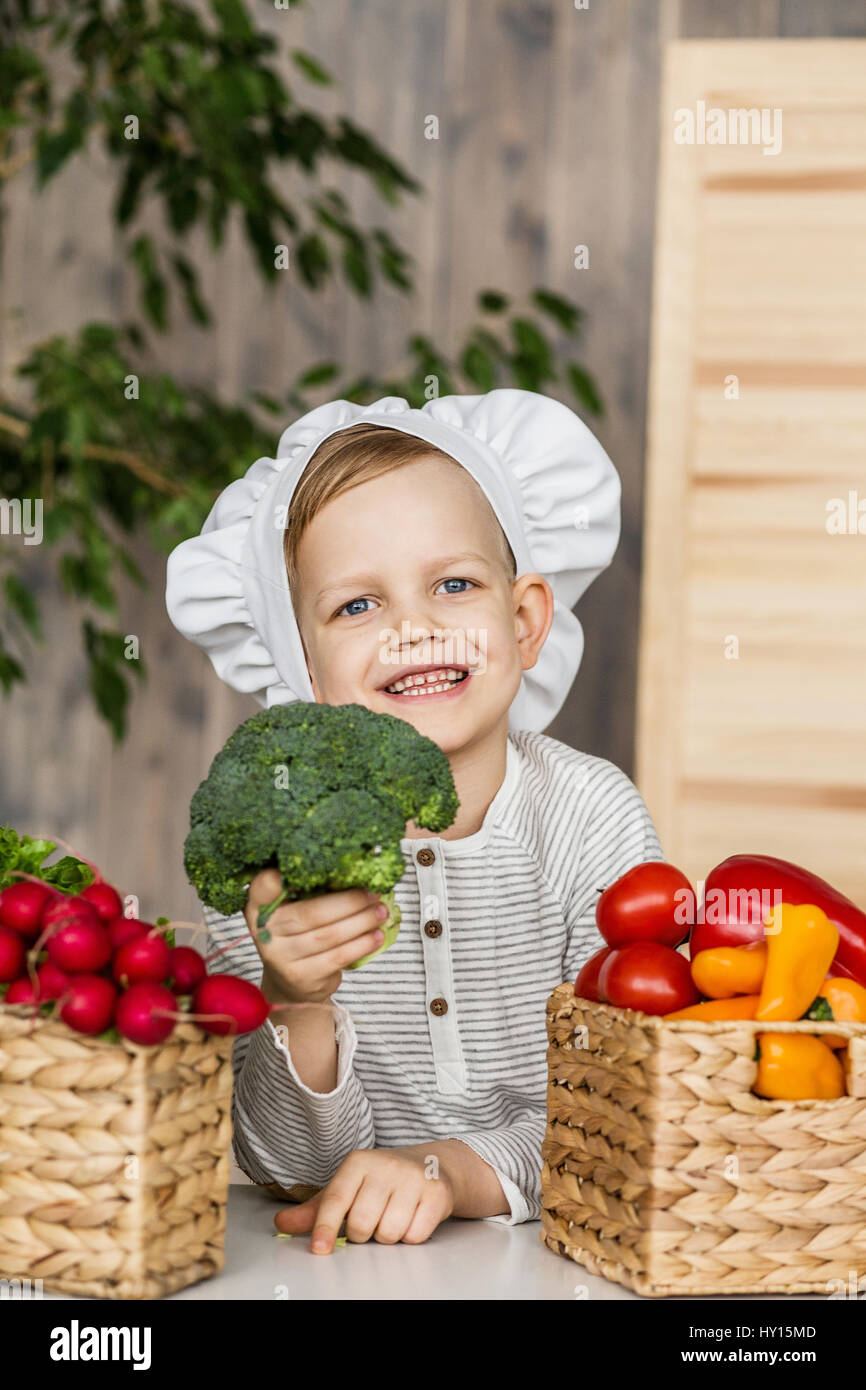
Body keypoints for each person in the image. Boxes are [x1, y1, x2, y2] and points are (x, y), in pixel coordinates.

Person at [165, 389, 664, 1254]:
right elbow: (284, 1166)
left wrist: (453, 1172)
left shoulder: (593, 820)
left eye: (454, 584)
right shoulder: (270, 865)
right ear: (304, 670)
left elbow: (633, 1117)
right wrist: (297, 1001)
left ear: (524, 621)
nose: (413, 627)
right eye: (357, 606)